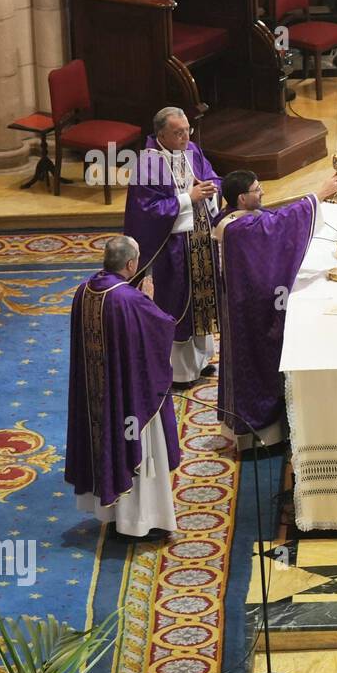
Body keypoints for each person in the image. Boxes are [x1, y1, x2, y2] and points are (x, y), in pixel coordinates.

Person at [211, 169, 337, 449]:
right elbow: (279, 225)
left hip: (250, 299)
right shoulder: (237, 228)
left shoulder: (239, 218)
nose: (263, 194)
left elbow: (275, 221)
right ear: (242, 198)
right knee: (257, 363)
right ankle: (256, 436)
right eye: (257, 190)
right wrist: (317, 196)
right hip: (251, 310)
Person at [65, 236, 181, 539]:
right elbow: (163, 328)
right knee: (140, 453)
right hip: (130, 398)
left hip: (97, 396)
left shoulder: (84, 290)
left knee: (105, 444)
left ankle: (113, 513)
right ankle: (141, 521)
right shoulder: (129, 300)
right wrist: (151, 301)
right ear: (131, 264)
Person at [124, 106, 221, 388]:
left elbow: (212, 176)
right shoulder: (147, 165)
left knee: (201, 304)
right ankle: (179, 373)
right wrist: (187, 198)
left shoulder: (191, 149)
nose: (185, 136)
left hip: (200, 242)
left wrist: (212, 187)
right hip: (173, 248)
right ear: (161, 135)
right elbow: (146, 210)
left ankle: (201, 362)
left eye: (187, 129)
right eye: (177, 133)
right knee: (178, 306)